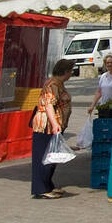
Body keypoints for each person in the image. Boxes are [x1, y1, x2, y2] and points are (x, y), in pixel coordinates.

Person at [31, 59, 73, 199]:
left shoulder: (58, 84)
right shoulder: (52, 84)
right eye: (70, 71)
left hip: (54, 126)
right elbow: (49, 105)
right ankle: (41, 189)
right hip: (46, 126)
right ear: (65, 71)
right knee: (45, 157)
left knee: (52, 156)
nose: (71, 74)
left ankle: (48, 185)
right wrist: (55, 124)